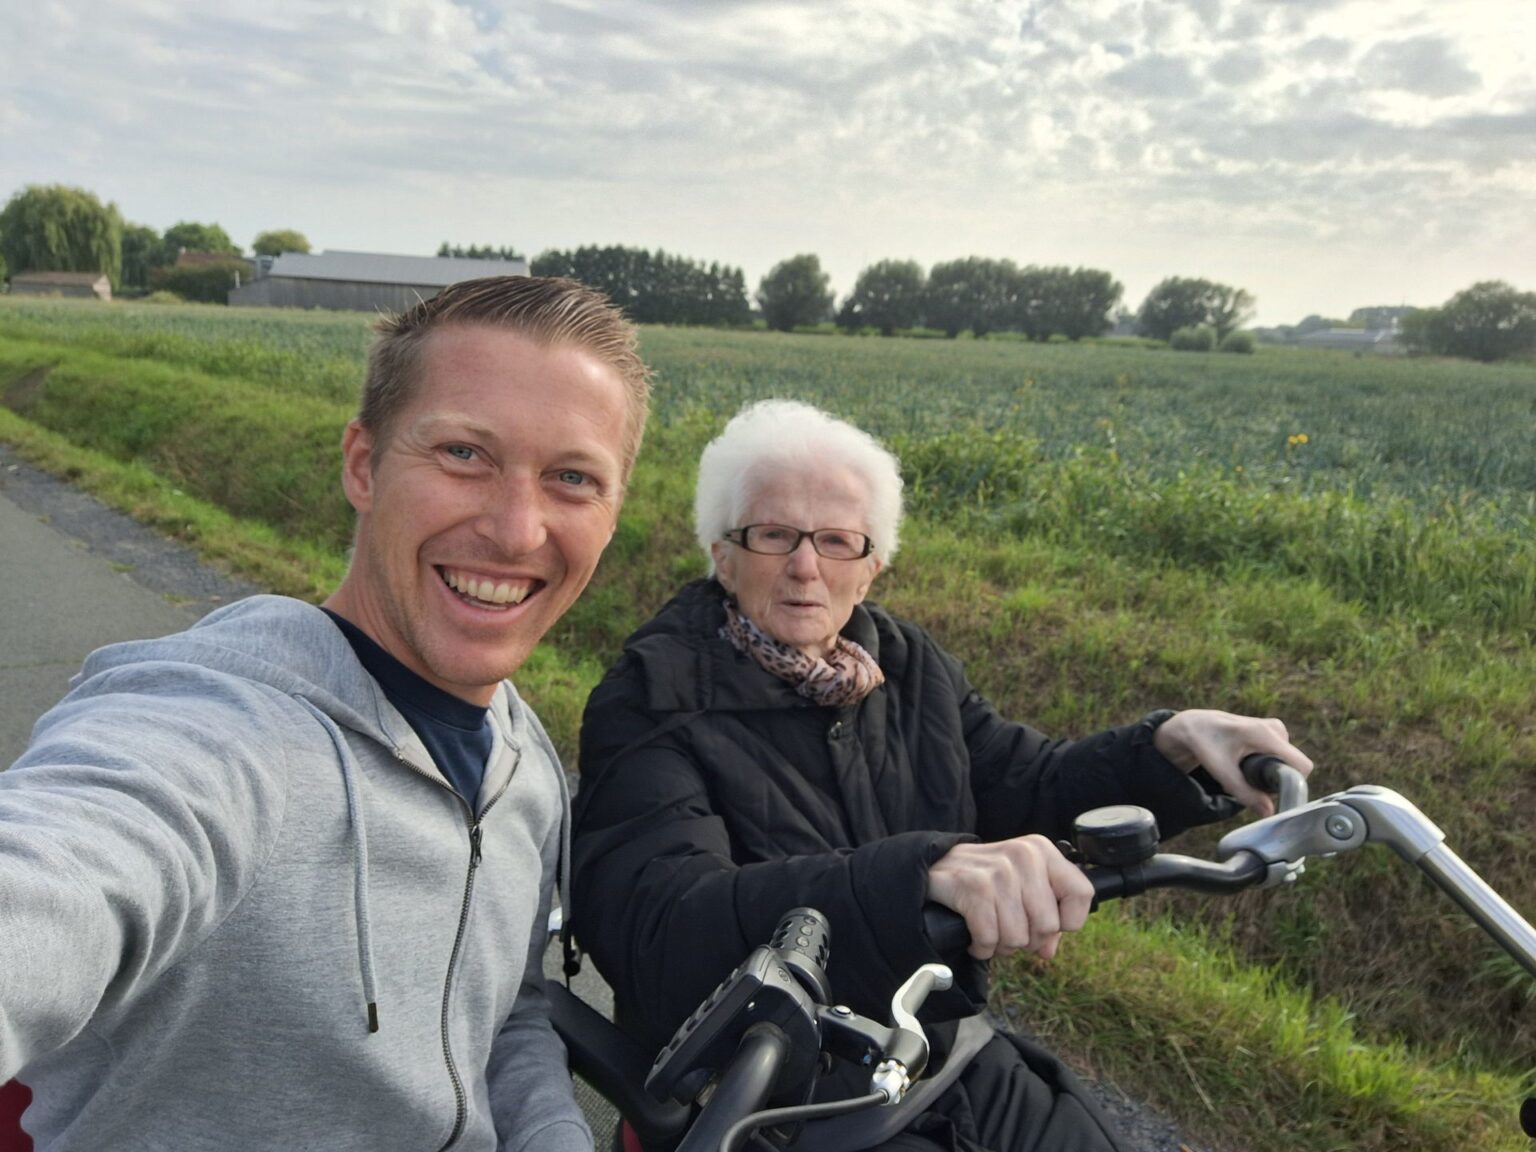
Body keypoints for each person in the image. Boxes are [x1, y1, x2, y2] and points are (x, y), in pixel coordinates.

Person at [0, 276, 650, 1151]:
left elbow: (505, 1009)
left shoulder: (524, 763)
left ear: (612, 516)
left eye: (573, 478)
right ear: (362, 464)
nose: (516, 528)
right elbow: (61, 871)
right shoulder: (219, 737)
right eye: (464, 453)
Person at [571, 398, 1313, 1152]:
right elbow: (658, 929)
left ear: (871, 569)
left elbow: (1026, 783)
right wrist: (919, 877)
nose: (805, 566)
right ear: (722, 554)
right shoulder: (649, 696)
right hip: (768, 1101)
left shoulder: (907, 665)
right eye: (773, 535)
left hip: (935, 1053)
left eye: (837, 541)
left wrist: (1168, 748)